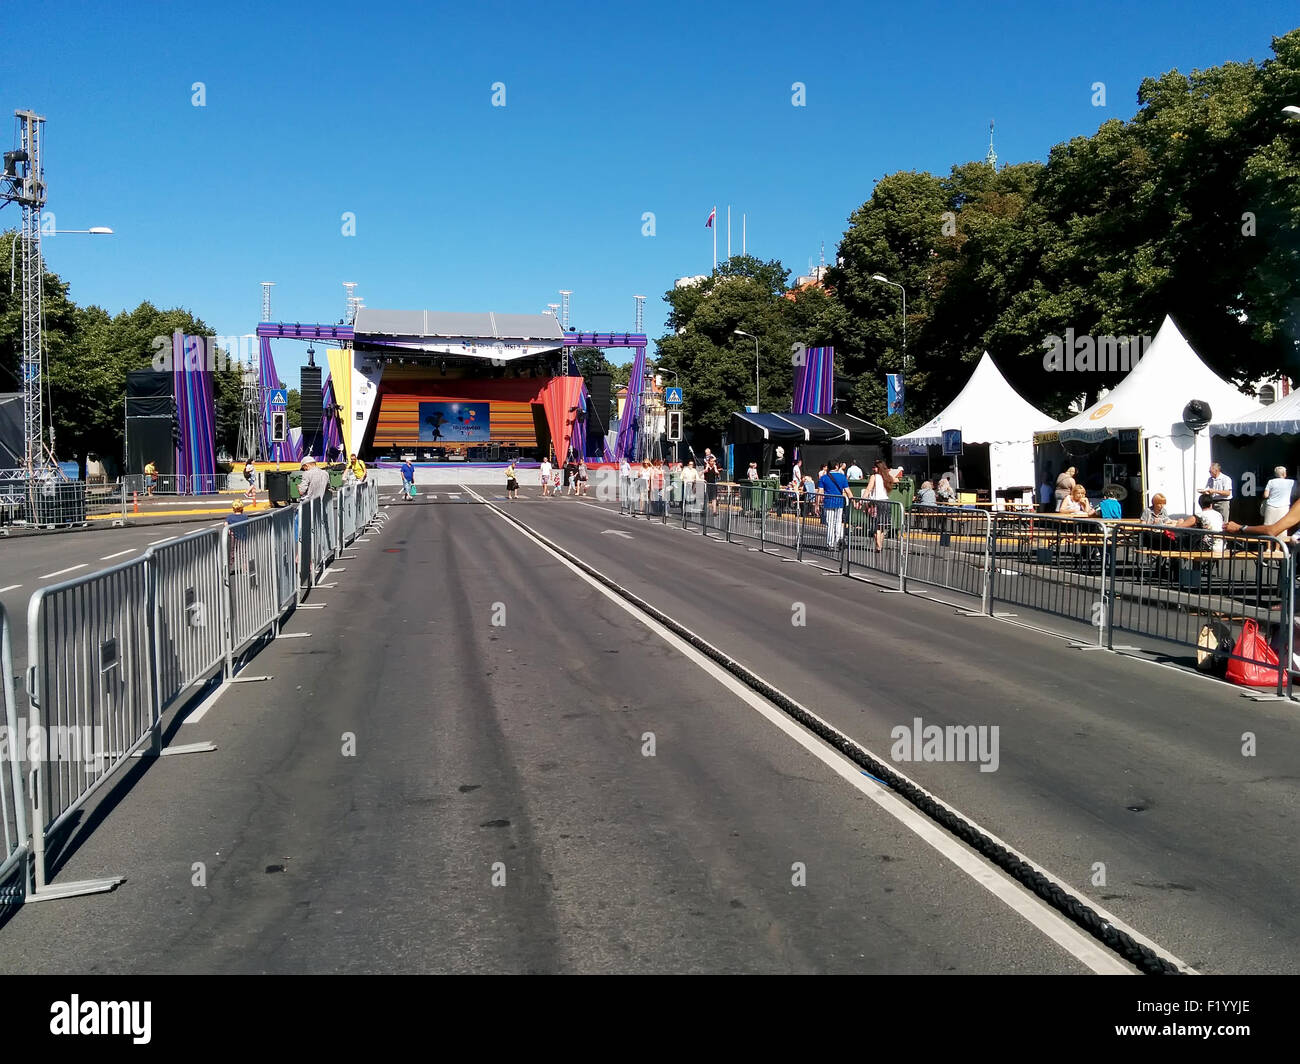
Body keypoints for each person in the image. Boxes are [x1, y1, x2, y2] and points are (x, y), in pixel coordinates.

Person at [862, 460, 894, 551]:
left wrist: (862, 500)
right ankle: (879, 545)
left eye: (874, 467)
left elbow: (868, 489)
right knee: (883, 526)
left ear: (878, 468)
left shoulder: (874, 477)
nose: (873, 469)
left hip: (876, 502)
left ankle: (878, 545)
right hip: (886, 502)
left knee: (876, 525)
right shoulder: (887, 477)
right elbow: (895, 480)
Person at [818, 460, 852, 550]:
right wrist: (854, 501)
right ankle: (837, 541)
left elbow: (820, 491)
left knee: (830, 523)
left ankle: (830, 543)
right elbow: (848, 491)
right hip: (839, 502)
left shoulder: (823, 478)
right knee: (838, 522)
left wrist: (816, 504)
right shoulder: (842, 477)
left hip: (828, 502)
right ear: (837, 466)